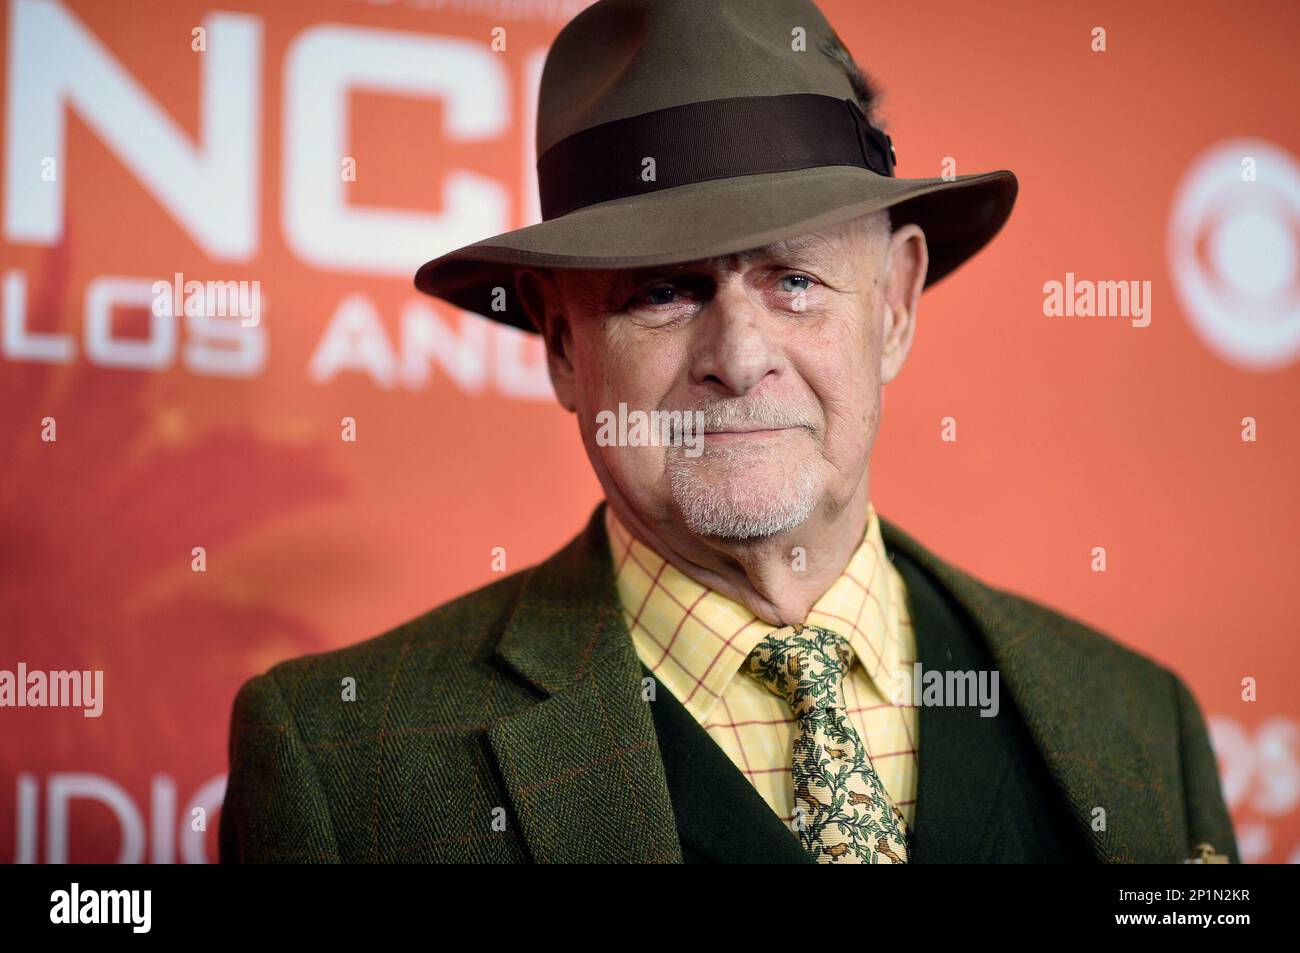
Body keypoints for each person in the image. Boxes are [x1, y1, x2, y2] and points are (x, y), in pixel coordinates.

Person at [220, 0, 1237, 864]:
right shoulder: (347, 765)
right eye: (664, 291)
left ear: (893, 304)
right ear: (562, 343)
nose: (738, 355)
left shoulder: (1142, 727)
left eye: (792, 279)